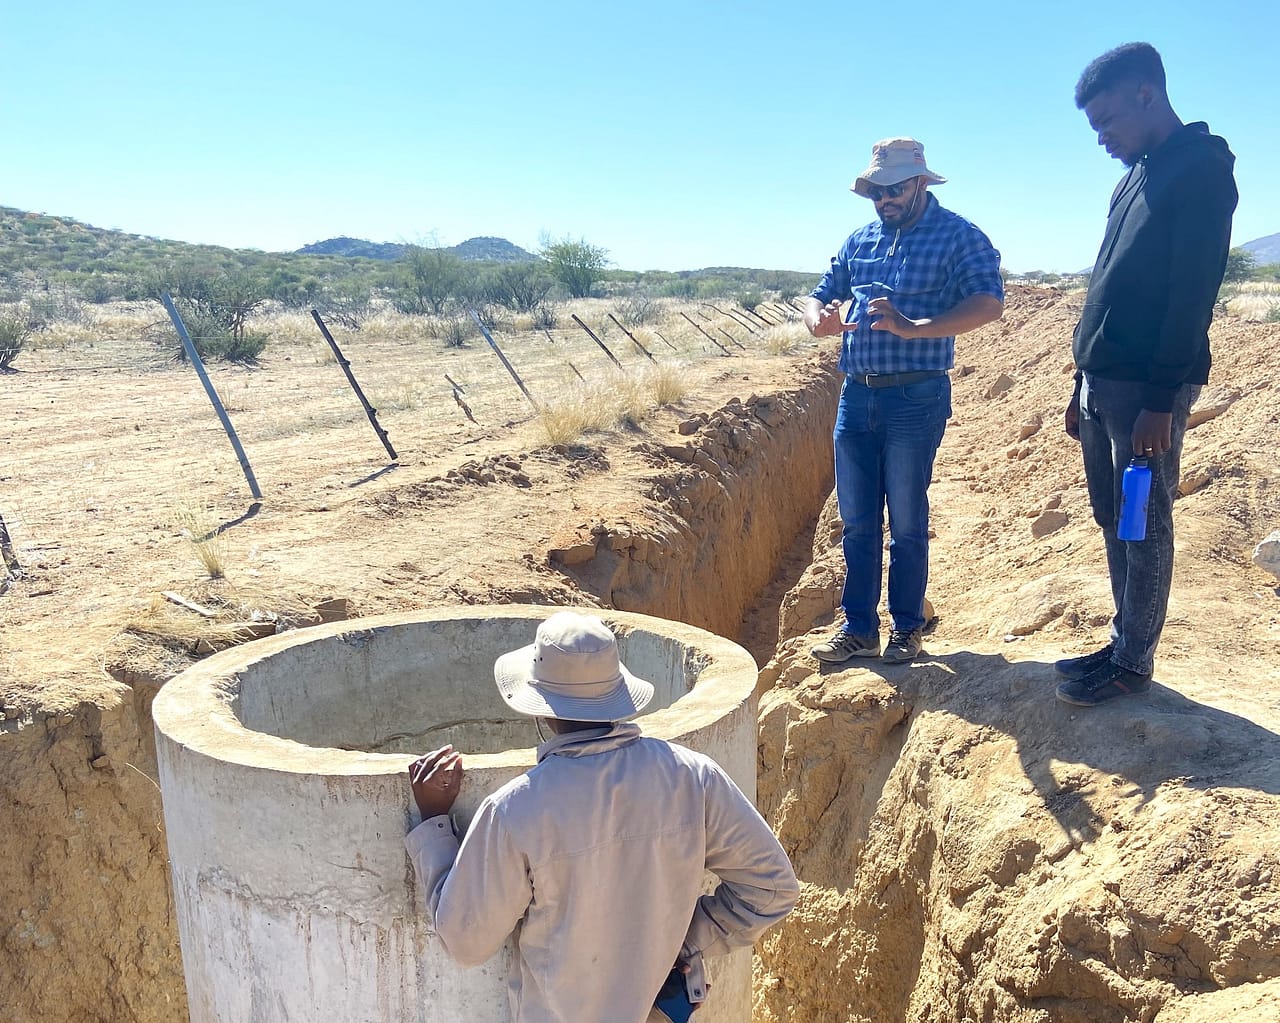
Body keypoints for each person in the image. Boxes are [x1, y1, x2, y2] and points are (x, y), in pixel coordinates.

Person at [404, 610, 799, 1023]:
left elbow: (466, 941)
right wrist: (680, 942)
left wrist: (433, 823)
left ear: (541, 710)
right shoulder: (693, 776)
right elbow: (771, 889)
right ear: (617, 693)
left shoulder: (515, 809)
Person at [1056, 43, 1237, 707]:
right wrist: (1078, 383)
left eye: (1107, 121)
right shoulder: (1136, 174)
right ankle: (1121, 641)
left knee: (1143, 520)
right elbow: (1107, 288)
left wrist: (1161, 399)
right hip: (1103, 383)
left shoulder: (1201, 170)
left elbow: (1191, 297)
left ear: (1145, 94)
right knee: (1114, 517)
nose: (1101, 137)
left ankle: (1134, 661)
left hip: (1145, 390)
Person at [804, 137, 1004, 666]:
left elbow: (989, 303)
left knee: (907, 520)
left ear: (918, 182)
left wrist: (916, 327)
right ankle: (858, 629)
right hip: (856, 394)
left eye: (893, 189)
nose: (884, 200)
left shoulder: (959, 236)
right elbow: (819, 294)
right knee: (856, 521)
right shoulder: (861, 239)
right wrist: (819, 321)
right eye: (876, 192)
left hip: (917, 396)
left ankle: (907, 628)